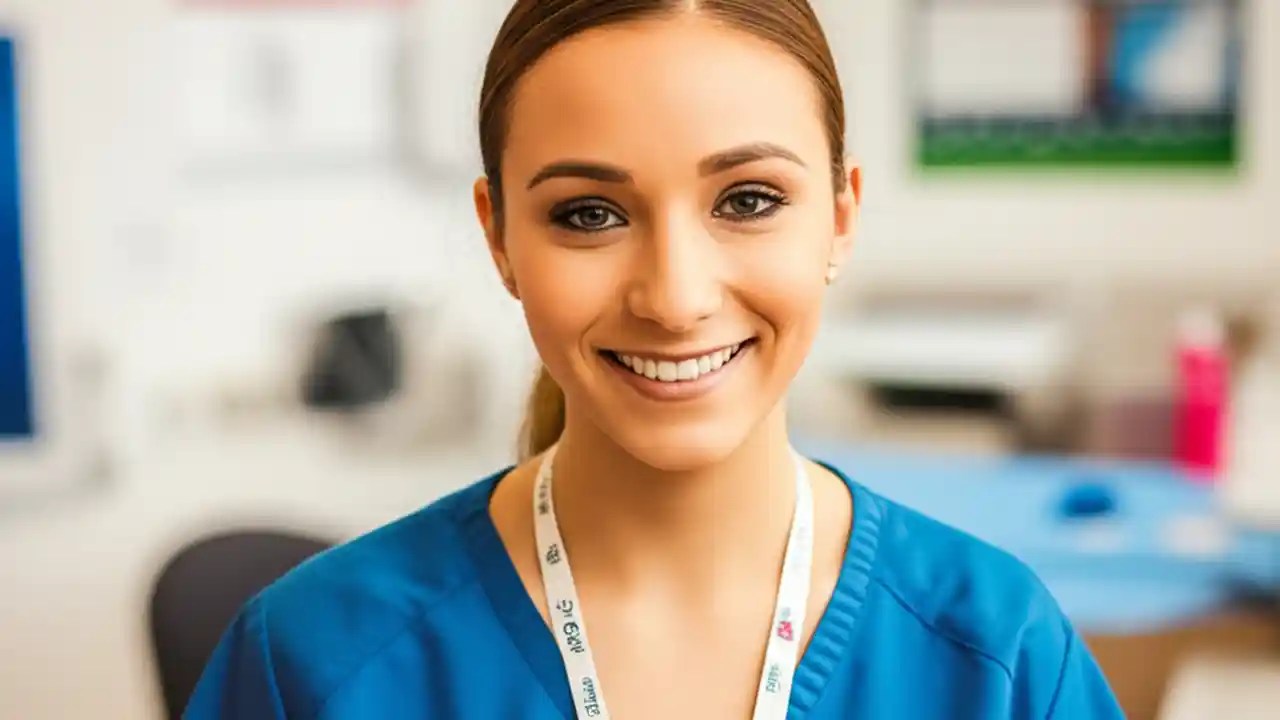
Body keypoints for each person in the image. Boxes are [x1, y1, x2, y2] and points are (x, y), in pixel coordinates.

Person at [186, 1, 1125, 718]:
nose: (675, 298)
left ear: (841, 217)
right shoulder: (311, 666)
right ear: (500, 237)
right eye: (589, 214)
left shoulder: (998, 658)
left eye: (749, 200)